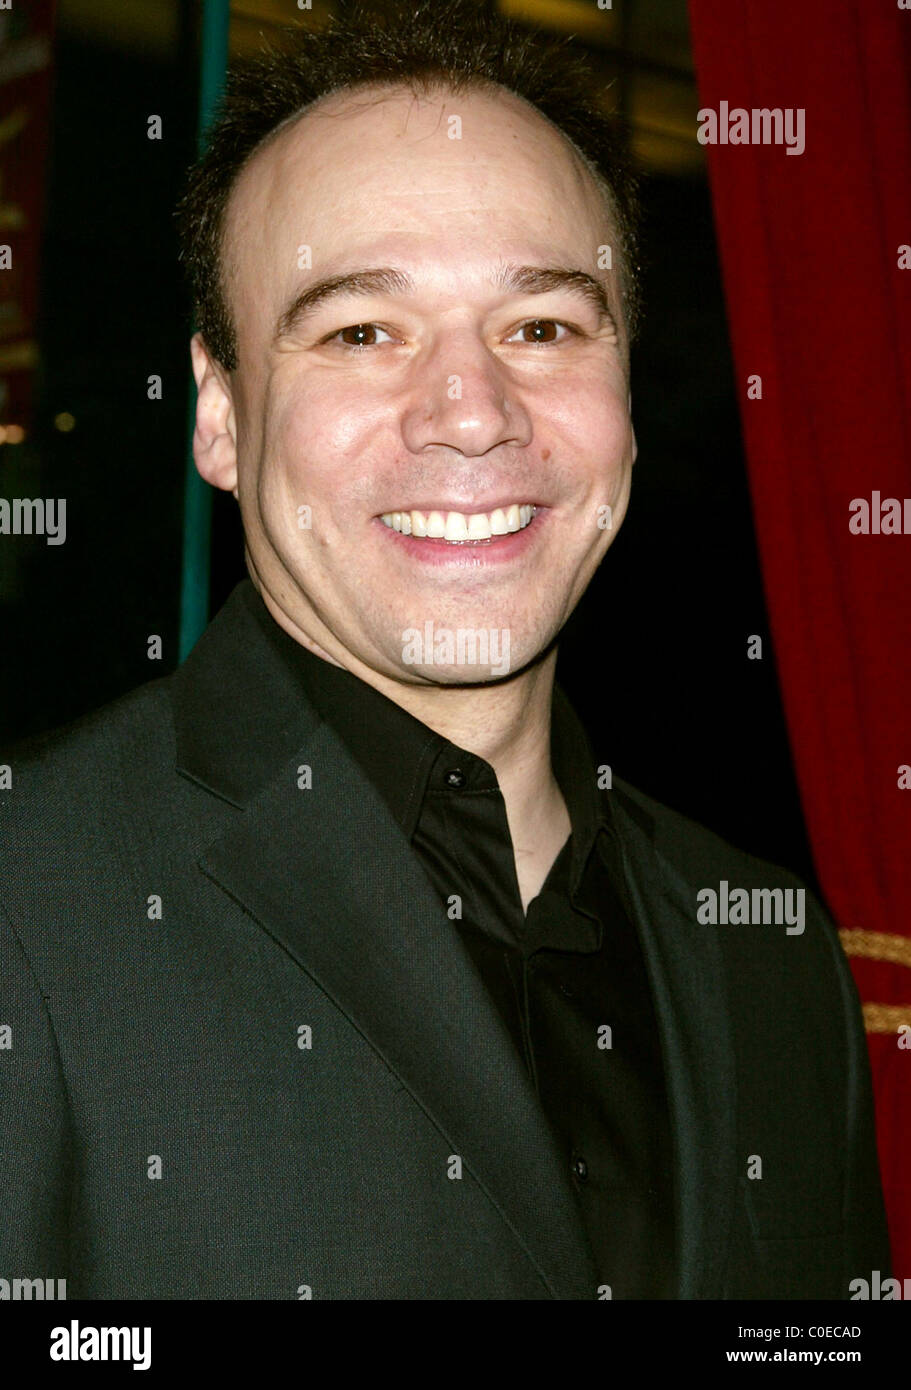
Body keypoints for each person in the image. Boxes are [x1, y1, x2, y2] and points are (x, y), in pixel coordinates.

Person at [0, 0, 889, 1299]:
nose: (473, 413)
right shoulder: (30, 900)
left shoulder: (777, 954)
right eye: (363, 330)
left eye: (542, 326)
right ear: (220, 415)